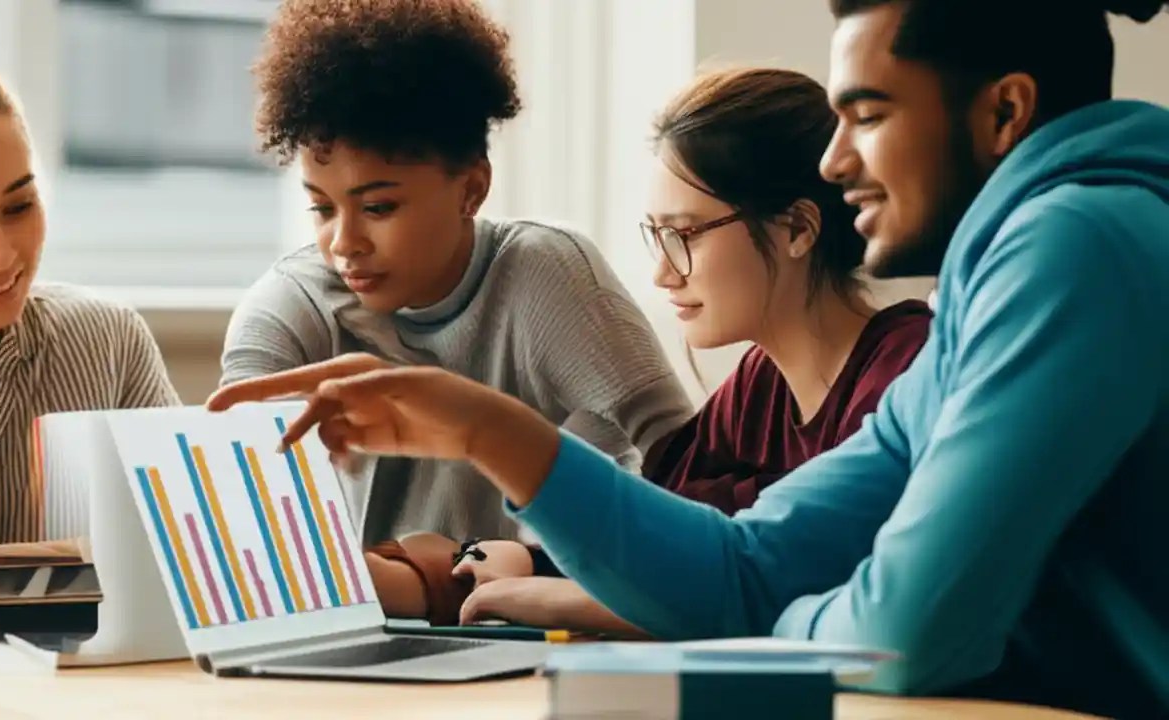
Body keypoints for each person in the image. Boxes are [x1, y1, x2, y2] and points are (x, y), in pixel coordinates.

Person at [208, 0, 1169, 716]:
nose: (834, 162)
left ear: (1004, 113)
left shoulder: (1077, 242)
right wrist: (486, 431)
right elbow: (749, 566)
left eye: (868, 115)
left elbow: (902, 636)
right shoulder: (995, 279)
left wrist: (773, 626)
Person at [440, 67, 931, 631]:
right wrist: (528, 560)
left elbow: (817, 590)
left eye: (686, 234)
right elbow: (671, 541)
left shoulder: (906, 372)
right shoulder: (759, 385)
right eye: (657, 235)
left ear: (797, 228)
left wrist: (565, 600)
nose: (663, 273)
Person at [224, 0, 692, 561]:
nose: (344, 244)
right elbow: (238, 522)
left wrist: (523, 572)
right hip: (362, 624)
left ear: (472, 189)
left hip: (540, 628)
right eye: (322, 209)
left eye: (378, 207)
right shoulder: (288, 308)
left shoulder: (545, 275)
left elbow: (694, 474)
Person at [0, 63, 180, 624]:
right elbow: (114, 577)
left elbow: (174, 567)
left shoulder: (108, 340)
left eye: (18, 206)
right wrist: (62, 574)